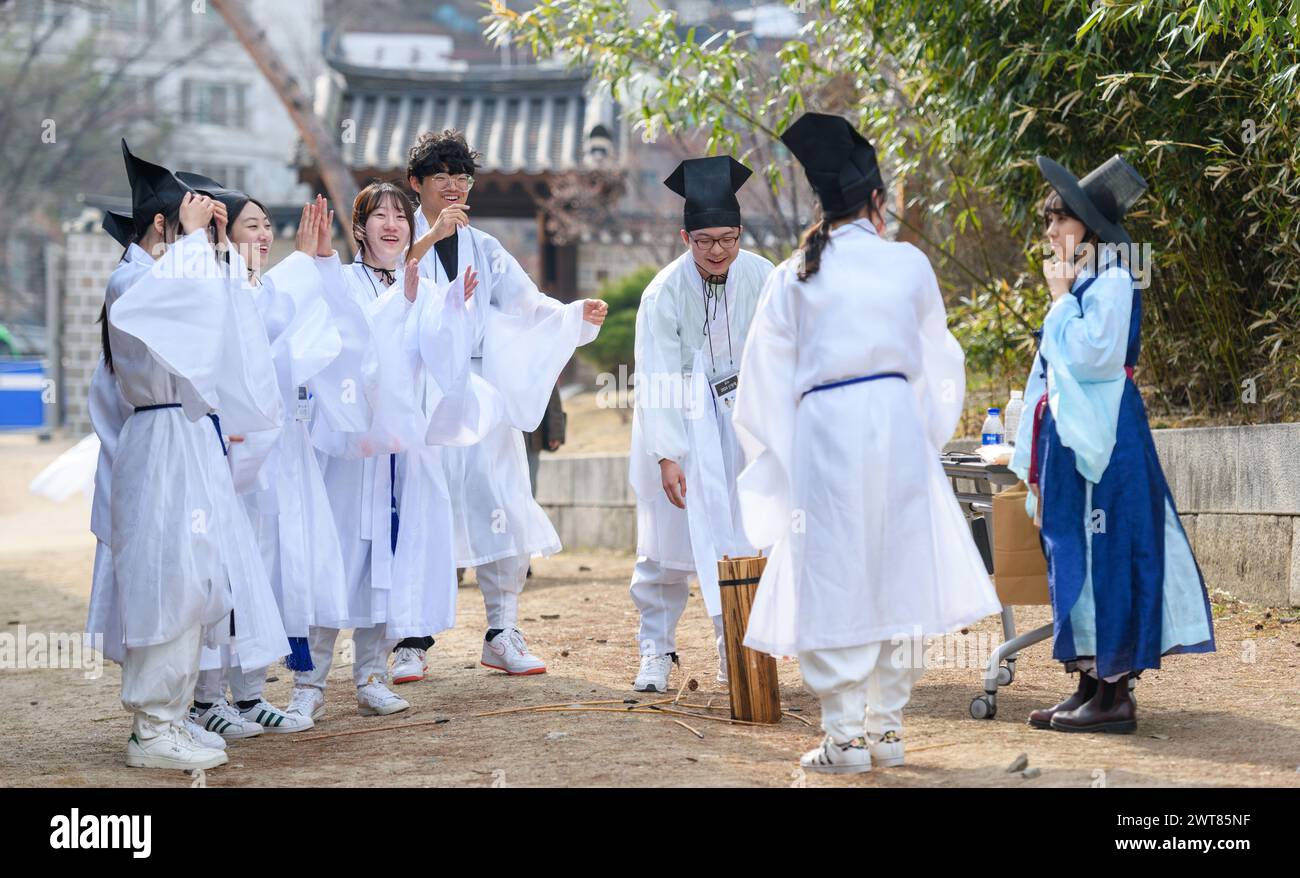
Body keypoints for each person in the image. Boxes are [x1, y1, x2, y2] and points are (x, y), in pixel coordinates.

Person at [733, 113, 1000, 774]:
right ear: (877, 201)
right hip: (896, 427)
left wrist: (790, 457)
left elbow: (763, 381)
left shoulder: (793, 273)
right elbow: (941, 364)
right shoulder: (908, 263)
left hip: (824, 432)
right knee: (898, 565)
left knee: (833, 572)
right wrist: (919, 435)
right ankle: (887, 729)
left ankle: (845, 736)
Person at [89, 141, 285, 770]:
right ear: (159, 223)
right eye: (186, 221)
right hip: (160, 437)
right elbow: (169, 312)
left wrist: (217, 249)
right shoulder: (132, 278)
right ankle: (151, 726)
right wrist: (198, 245)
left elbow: (223, 326)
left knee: (198, 575)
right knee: (166, 576)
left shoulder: (174, 271)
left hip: (190, 435)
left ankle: (172, 714)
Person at [1011, 155, 1214, 733]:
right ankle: (1085, 682)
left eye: (1061, 220)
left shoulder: (1116, 278)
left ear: (1089, 229)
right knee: (1072, 546)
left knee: (1109, 551)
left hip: (1107, 436)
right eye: (1049, 221)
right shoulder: (1081, 280)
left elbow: (1095, 356)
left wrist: (1058, 300)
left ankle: (1114, 692)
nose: (1050, 232)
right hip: (1072, 435)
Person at [175, 176, 375, 736]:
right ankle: (206, 696)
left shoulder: (262, 288)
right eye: (251, 225)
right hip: (234, 452)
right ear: (222, 232)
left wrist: (315, 267)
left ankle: (250, 692)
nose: (264, 235)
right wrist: (304, 268)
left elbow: (322, 332)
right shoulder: (216, 289)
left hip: (282, 449)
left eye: (268, 225)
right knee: (229, 573)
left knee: (272, 569)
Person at [404, 129, 607, 680]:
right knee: (423, 504)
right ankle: (411, 636)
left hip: (478, 392)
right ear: (416, 183)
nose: (452, 186)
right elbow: (386, 291)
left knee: (500, 498)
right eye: (440, 176)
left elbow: (525, 305)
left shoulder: (485, 248)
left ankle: (502, 628)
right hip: (418, 391)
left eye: (461, 177)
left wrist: (571, 315)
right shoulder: (398, 235)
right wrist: (427, 241)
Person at [289, 181, 490, 720]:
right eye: (379, 215)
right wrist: (400, 300)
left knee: (392, 560)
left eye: (401, 215)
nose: (392, 224)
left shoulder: (423, 284)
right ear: (360, 227)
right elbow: (344, 347)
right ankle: (309, 683)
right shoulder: (343, 282)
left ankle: (372, 674)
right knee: (339, 559)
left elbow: (442, 356)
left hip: (403, 449)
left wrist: (452, 308)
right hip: (351, 447)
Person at [626, 155, 774, 693]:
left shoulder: (764, 277)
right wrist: (668, 455)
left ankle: (734, 646)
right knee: (665, 546)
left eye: (728, 238)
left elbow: (783, 352)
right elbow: (657, 373)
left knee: (743, 536)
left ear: (740, 233)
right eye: (705, 240)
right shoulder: (663, 292)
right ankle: (656, 650)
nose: (718, 251)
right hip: (682, 422)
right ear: (685, 237)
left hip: (745, 421)